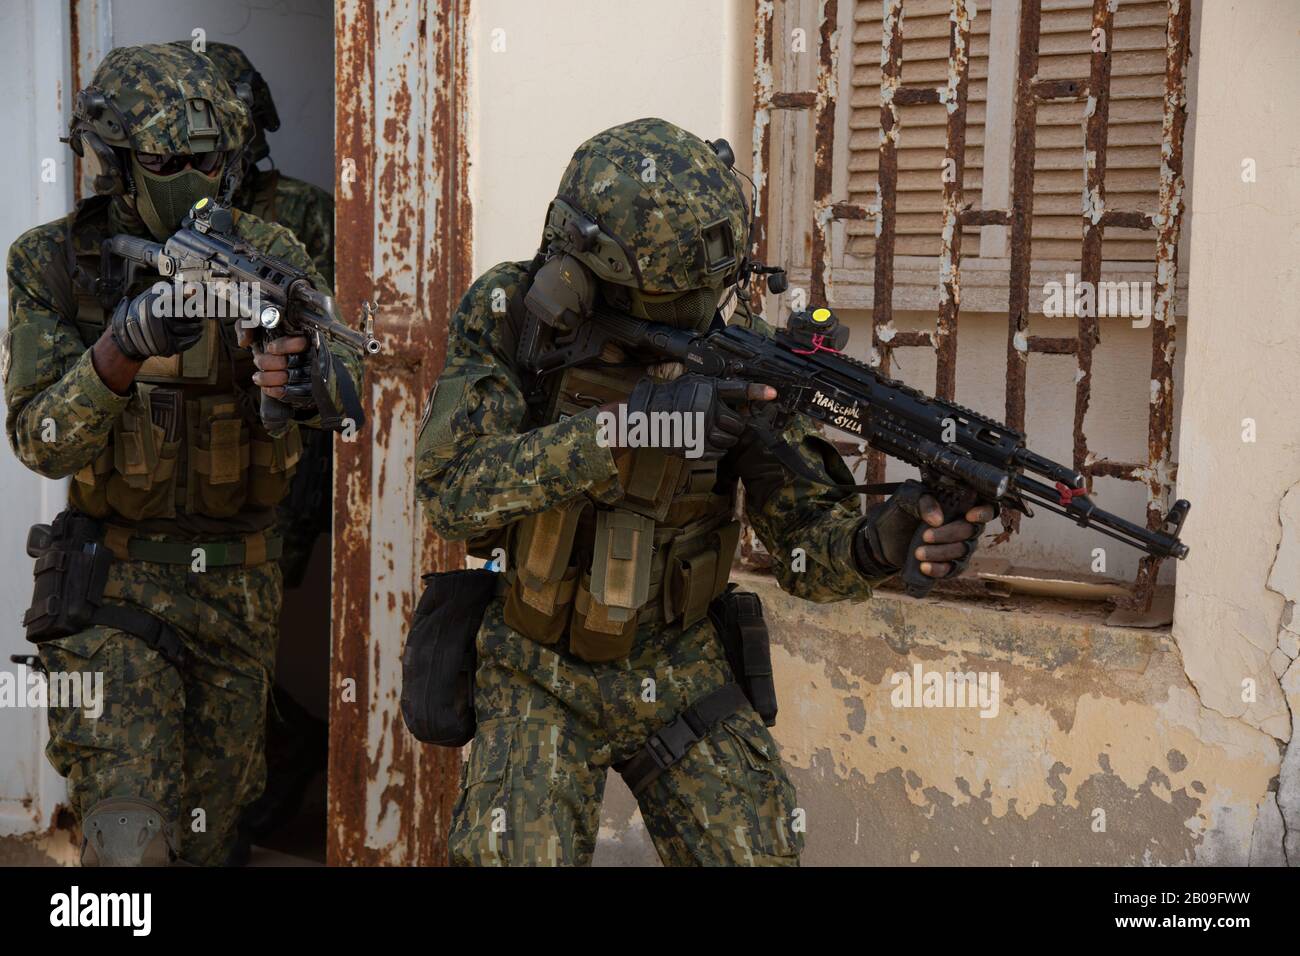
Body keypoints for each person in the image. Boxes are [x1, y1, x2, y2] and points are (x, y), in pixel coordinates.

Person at [413, 117, 993, 866]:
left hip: (677, 665)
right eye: (677, 297)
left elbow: (808, 552)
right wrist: (618, 435)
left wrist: (882, 540)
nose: (703, 311)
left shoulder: (733, 348)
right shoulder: (512, 311)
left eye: (713, 290)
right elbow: (452, 489)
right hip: (535, 667)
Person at [3, 43, 361, 866]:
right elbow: (40, 442)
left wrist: (306, 379)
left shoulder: (272, 248)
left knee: (214, 832)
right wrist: (120, 349)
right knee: (126, 841)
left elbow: (344, 407)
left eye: (209, 159)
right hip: (114, 586)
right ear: (117, 160)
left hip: (241, 589)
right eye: (168, 159)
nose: (192, 176)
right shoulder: (53, 262)